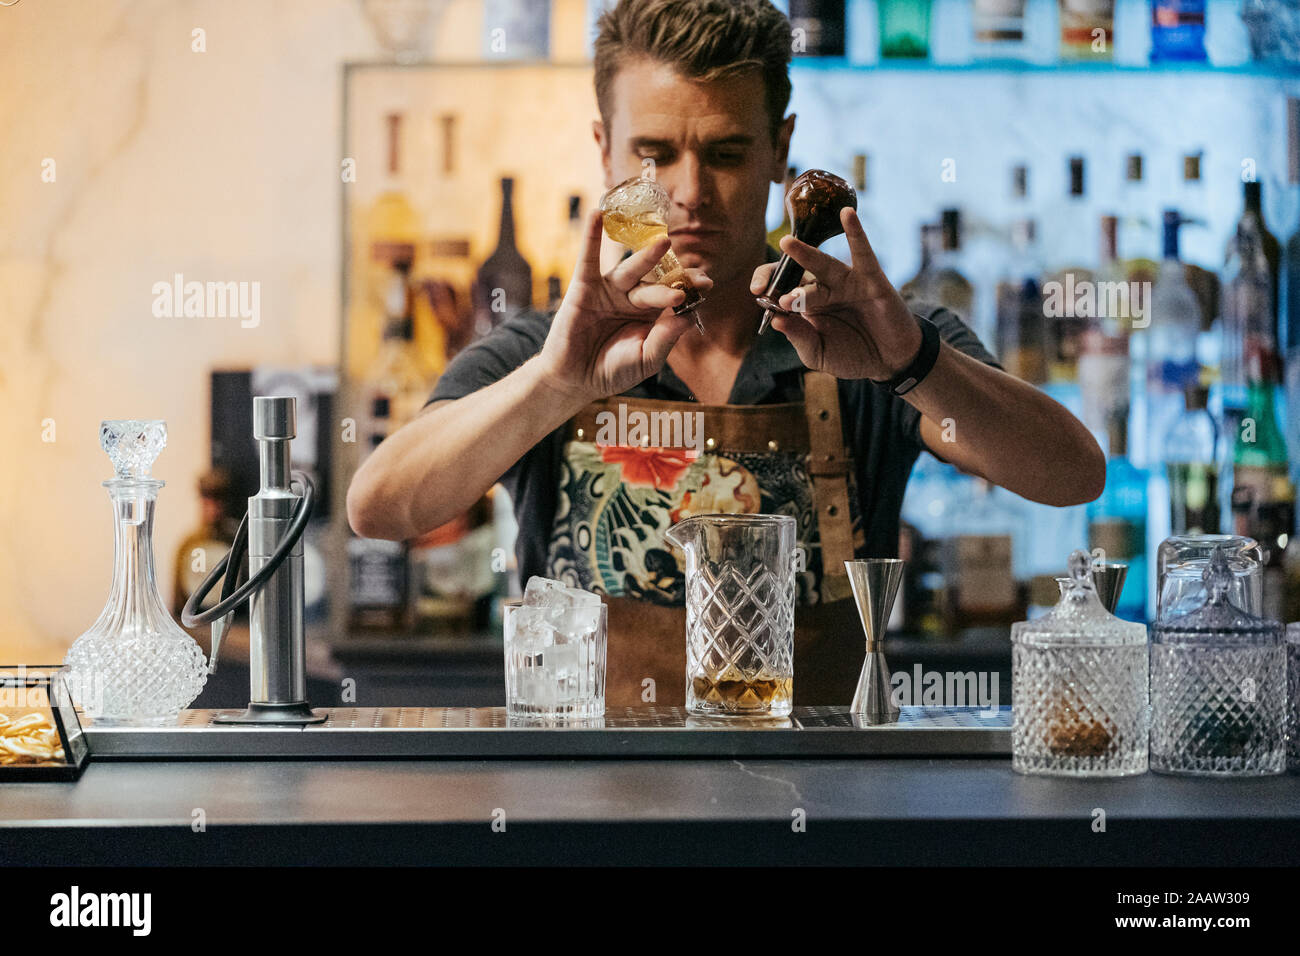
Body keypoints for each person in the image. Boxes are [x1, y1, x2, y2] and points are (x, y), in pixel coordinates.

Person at [348, 0, 1105, 706]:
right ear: (604, 147)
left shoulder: (872, 346)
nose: (689, 191)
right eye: (653, 152)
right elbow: (380, 506)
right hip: (583, 814)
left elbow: (1073, 473)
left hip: (811, 814)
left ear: (780, 148)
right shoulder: (546, 351)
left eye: (726, 152)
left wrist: (912, 363)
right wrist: (554, 383)